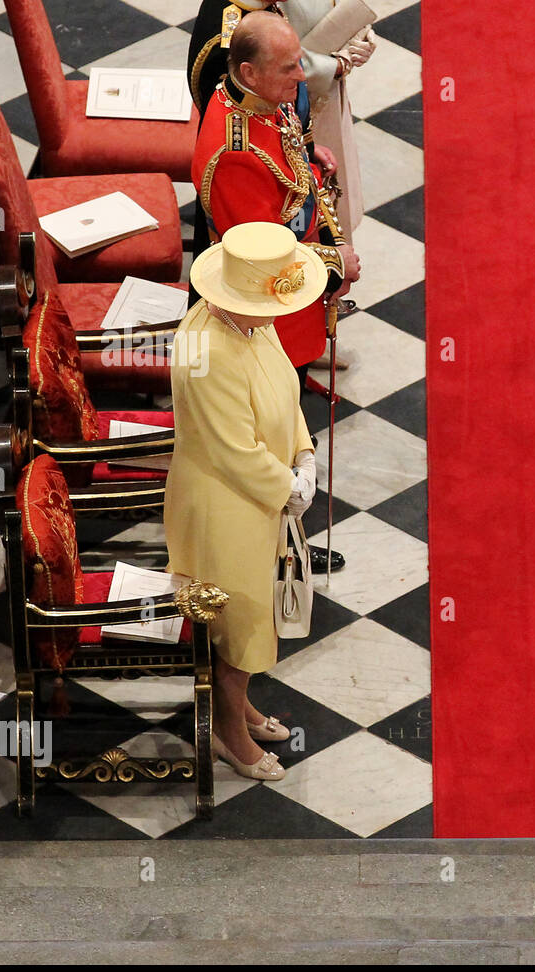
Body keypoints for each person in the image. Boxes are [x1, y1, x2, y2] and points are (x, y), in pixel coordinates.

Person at [193, 9, 359, 572]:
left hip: (287, 306)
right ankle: (276, 547)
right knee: (271, 436)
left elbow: (286, 161)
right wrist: (336, 262)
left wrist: (310, 162)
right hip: (263, 318)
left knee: (287, 418)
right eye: (289, 69)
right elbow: (258, 264)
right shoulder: (236, 153)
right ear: (247, 70)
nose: (301, 78)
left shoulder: (263, 98)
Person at [166, 221, 329, 780]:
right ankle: (228, 734)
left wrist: (304, 453)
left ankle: (240, 709)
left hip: (257, 494)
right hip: (223, 509)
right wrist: (290, 485)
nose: (279, 315)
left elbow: (286, 387)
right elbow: (235, 451)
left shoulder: (252, 322)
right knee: (240, 621)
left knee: (251, 618)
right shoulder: (204, 353)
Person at [281, 1, 377, 238]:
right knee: (304, 210)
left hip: (330, 96)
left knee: (334, 194)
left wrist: (360, 35)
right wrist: (335, 65)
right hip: (292, 104)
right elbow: (264, 49)